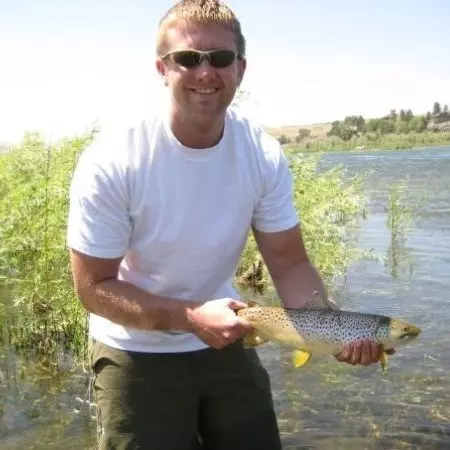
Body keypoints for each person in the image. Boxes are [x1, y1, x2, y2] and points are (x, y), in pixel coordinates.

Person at [67, 1, 385, 449]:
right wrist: (190, 317)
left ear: (240, 68)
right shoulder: (113, 159)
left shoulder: (262, 153)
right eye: (187, 59)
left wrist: (333, 330)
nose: (204, 73)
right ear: (162, 68)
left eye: (219, 58)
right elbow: (92, 288)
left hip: (226, 338)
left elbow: (290, 265)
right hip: (134, 348)